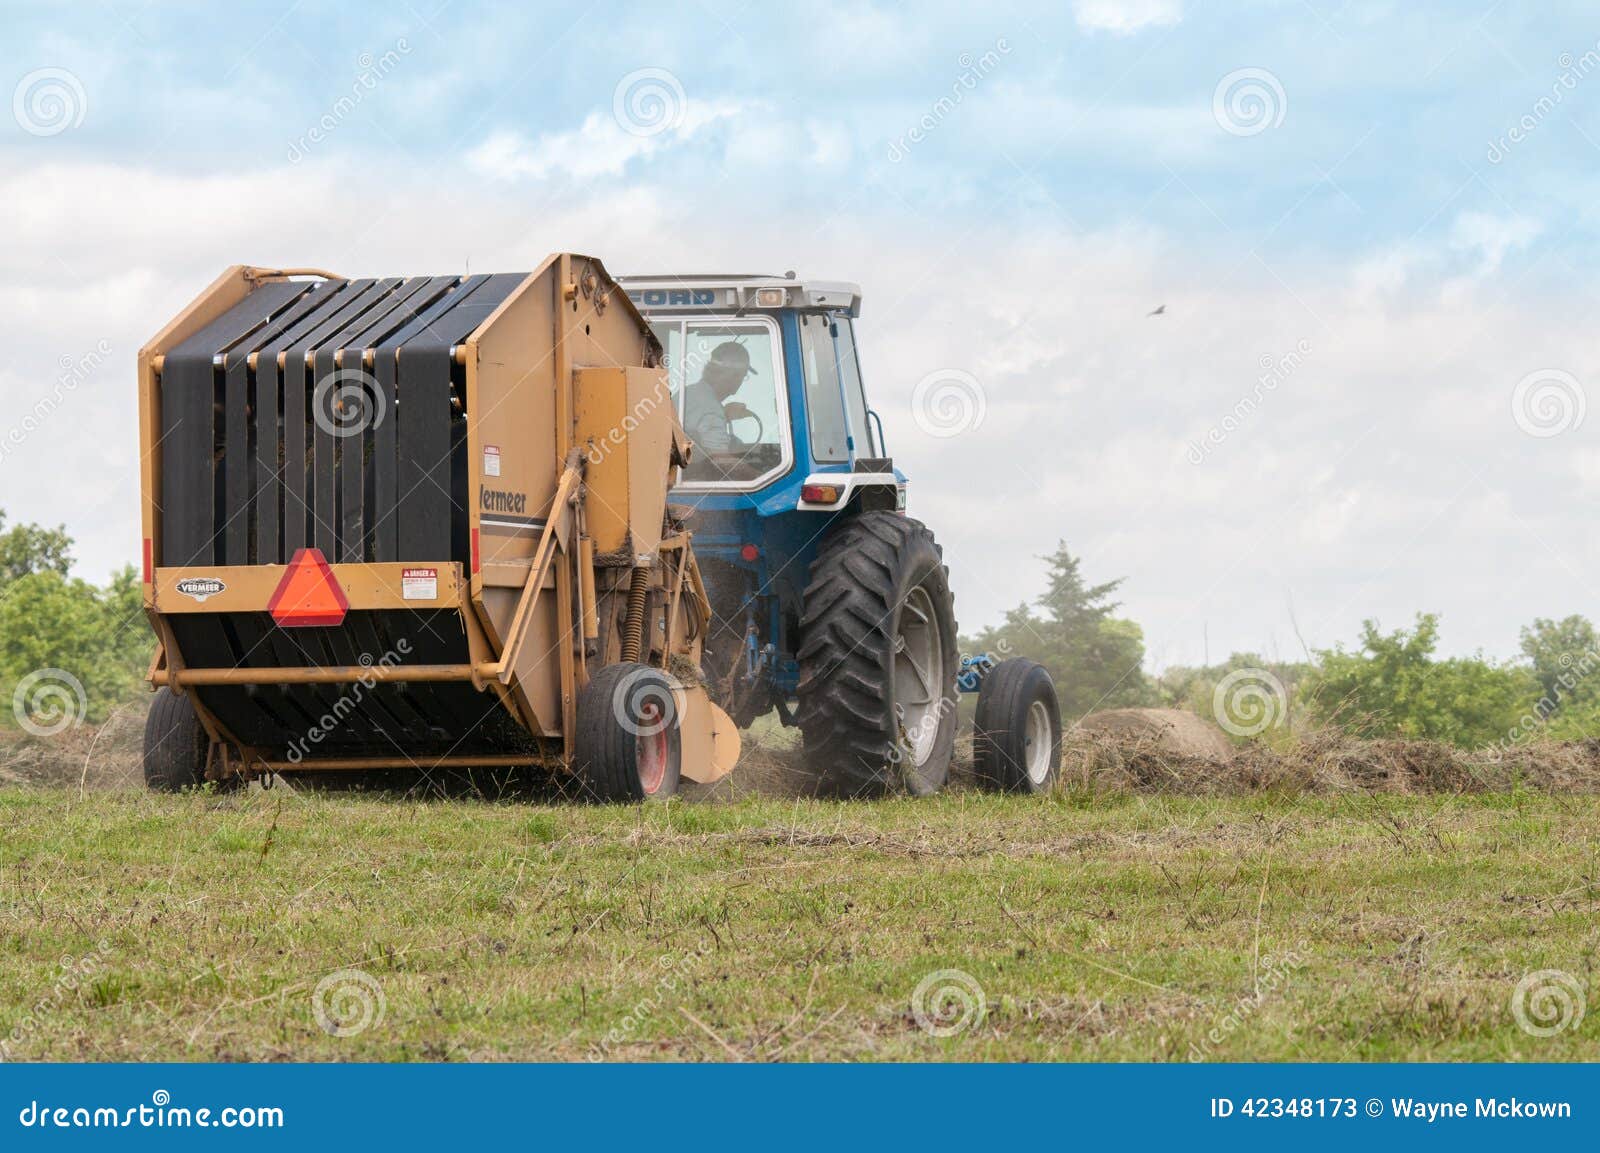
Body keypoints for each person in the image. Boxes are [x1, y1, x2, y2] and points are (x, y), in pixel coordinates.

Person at [682, 341, 756, 456]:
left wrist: (725, 415)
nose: (740, 380)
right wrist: (756, 473)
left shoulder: (690, 393)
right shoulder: (711, 408)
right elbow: (721, 460)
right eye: (743, 375)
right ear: (732, 374)